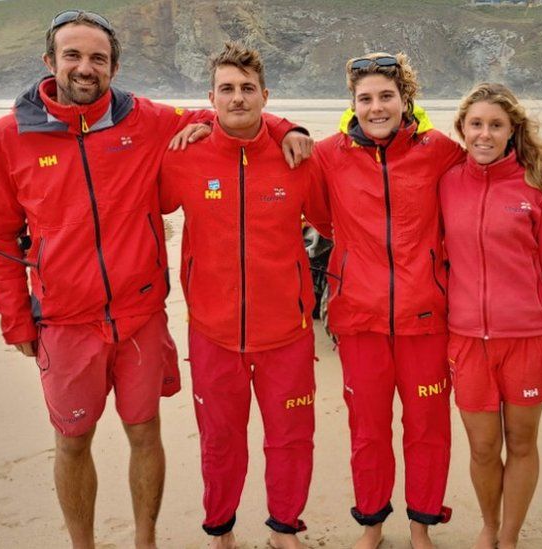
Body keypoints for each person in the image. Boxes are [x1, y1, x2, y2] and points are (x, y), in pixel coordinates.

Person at [0, 10, 308, 549]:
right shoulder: (8, 136)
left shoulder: (145, 118)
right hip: (64, 319)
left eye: (98, 58)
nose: (86, 68)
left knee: (144, 432)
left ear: (114, 66)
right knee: (73, 439)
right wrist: (15, 317)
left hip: (139, 316)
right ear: (49, 62)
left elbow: (229, 111)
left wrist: (286, 126)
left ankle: (145, 540)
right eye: (73, 56)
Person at [158, 42, 330, 549]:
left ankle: (284, 529)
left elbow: (334, 223)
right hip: (213, 332)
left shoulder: (296, 156)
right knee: (220, 441)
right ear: (210, 98)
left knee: (292, 439)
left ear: (265, 96)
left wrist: (286, 129)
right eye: (227, 90)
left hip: (288, 333)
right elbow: (140, 201)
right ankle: (221, 531)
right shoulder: (186, 155)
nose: (237, 98)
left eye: (247, 89)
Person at [313, 53, 465, 549]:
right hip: (359, 320)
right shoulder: (328, 155)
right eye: (365, 99)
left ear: (405, 99)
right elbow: (313, 210)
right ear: (352, 104)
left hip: (426, 319)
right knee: (369, 432)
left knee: (427, 429)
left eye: (386, 97)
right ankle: (372, 524)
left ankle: (420, 526)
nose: (376, 107)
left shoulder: (441, 151)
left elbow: (491, 168)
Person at [439, 82, 542, 549]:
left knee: (521, 444)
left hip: (527, 340)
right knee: (482, 447)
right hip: (465, 340)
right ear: (461, 129)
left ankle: (511, 537)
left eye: (495, 125)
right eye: (475, 124)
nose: (484, 134)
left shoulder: (538, 188)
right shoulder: (446, 181)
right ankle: (489, 526)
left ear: (511, 131)